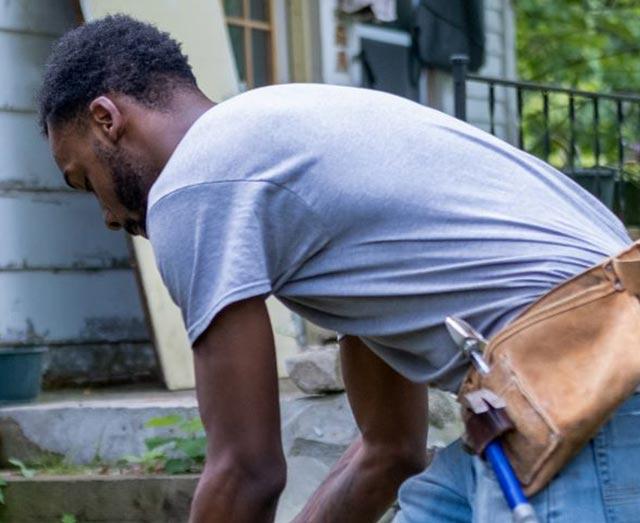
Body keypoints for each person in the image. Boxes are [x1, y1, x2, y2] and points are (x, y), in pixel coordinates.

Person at [38, 15, 639, 523]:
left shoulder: (195, 186)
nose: (108, 218)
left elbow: (246, 469)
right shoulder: (294, 139)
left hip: (588, 388)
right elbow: (390, 453)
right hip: (575, 376)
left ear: (106, 119)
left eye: (85, 180)